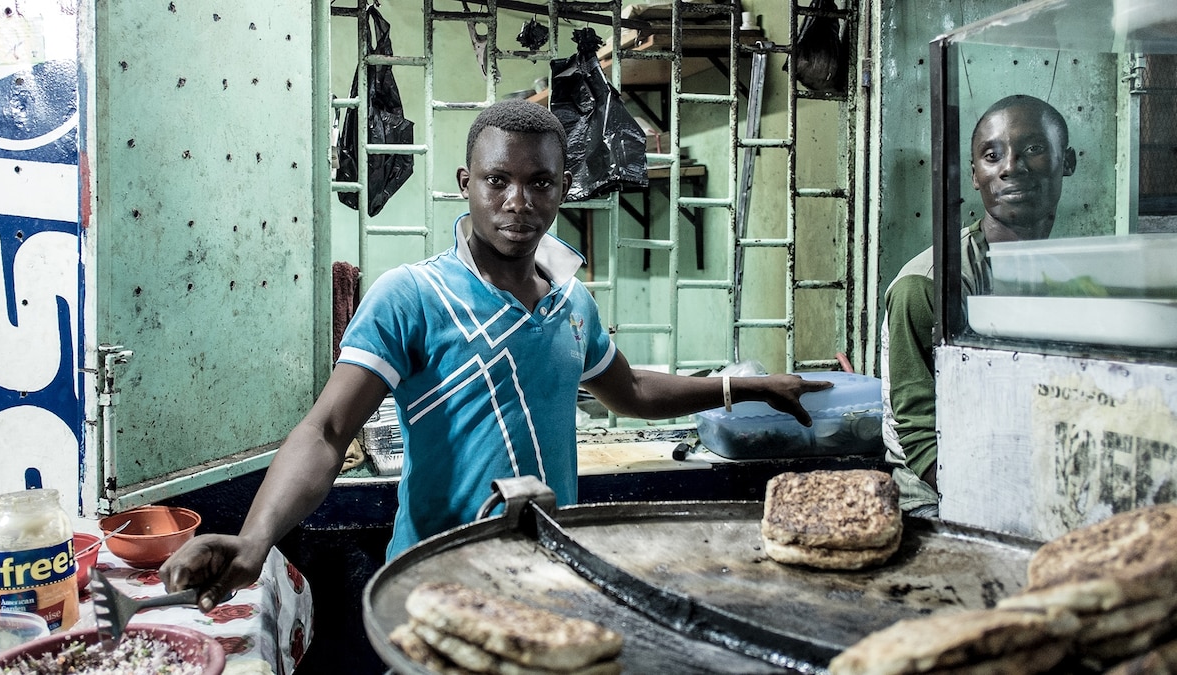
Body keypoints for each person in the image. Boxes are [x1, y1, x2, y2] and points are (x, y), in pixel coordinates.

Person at [160, 99, 833, 611]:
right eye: (497, 181)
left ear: (563, 187)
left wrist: (743, 388)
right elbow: (328, 430)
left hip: (548, 577)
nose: (519, 202)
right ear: (467, 182)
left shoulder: (571, 303)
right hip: (433, 581)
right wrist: (256, 538)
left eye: (540, 183)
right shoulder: (412, 296)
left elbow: (631, 392)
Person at [881, 94, 1076, 517]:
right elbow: (918, 432)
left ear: (1067, 161)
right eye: (992, 155)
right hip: (943, 502)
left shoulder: (1067, 276)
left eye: (1033, 149)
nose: (1011, 167)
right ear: (974, 175)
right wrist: (995, 503)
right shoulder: (928, 283)